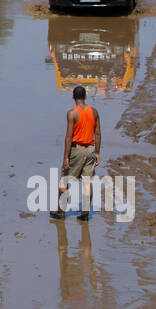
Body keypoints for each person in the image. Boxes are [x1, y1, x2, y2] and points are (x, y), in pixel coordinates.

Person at [52, 85, 100, 221]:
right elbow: (98, 133)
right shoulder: (94, 112)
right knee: (87, 182)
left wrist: (66, 157)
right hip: (91, 149)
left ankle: (60, 212)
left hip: (76, 150)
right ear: (85, 96)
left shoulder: (72, 113)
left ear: (73, 97)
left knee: (64, 180)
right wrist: (97, 152)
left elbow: (68, 136)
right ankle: (85, 213)